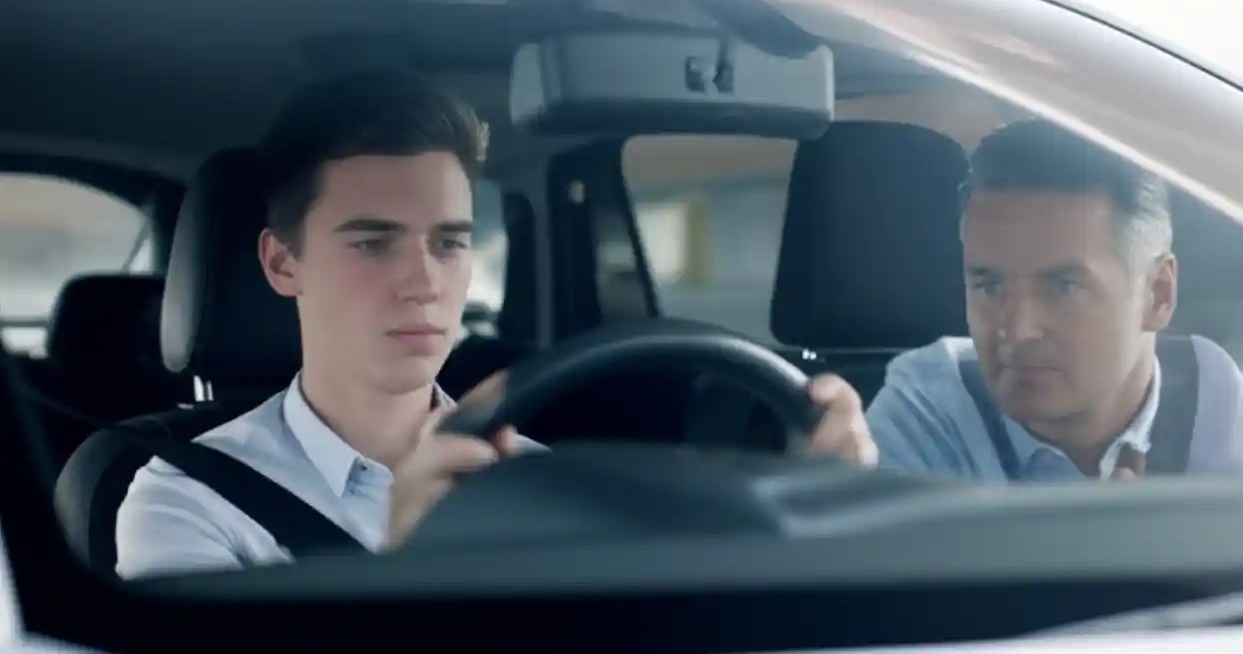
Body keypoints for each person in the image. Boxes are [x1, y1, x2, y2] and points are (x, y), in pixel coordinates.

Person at [114, 69, 876, 580]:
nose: (424, 281)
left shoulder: (554, 486)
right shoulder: (186, 501)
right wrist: (407, 579)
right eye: (373, 242)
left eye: (449, 242)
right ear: (284, 265)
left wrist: (823, 526)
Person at [865, 118, 1243, 481]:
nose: (1018, 330)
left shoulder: (1242, 444)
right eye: (991, 287)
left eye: (1063, 286)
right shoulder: (931, 416)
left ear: (1158, 294)